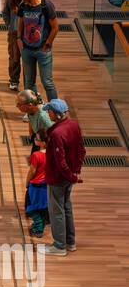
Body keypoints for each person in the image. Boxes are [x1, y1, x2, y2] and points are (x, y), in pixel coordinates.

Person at [42, 98, 84, 257]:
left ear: (57, 113)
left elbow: (60, 161)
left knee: (56, 211)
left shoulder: (57, 133)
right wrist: (75, 173)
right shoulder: (74, 125)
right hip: (69, 175)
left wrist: (70, 176)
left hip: (58, 178)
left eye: (50, 111)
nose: (48, 113)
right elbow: (82, 149)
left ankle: (59, 246)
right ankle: (70, 242)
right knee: (66, 207)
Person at [16, 0, 58, 102]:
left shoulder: (46, 6)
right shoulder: (23, 6)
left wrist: (48, 43)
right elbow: (20, 22)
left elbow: (55, 27)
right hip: (26, 49)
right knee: (29, 83)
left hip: (42, 50)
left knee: (47, 82)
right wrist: (19, 38)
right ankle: (33, 110)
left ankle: (54, 110)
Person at [3, 0, 33, 90]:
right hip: (14, 34)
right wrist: (10, 25)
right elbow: (5, 13)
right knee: (14, 58)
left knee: (28, 60)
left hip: (28, 35)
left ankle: (28, 83)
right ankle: (14, 80)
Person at [24, 135, 49, 239]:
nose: (35, 140)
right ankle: (38, 226)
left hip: (35, 185)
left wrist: (27, 182)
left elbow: (32, 171)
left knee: (30, 208)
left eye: (37, 139)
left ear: (43, 142)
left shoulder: (36, 155)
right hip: (46, 185)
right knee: (42, 207)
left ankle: (38, 228)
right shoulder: (52, 154)